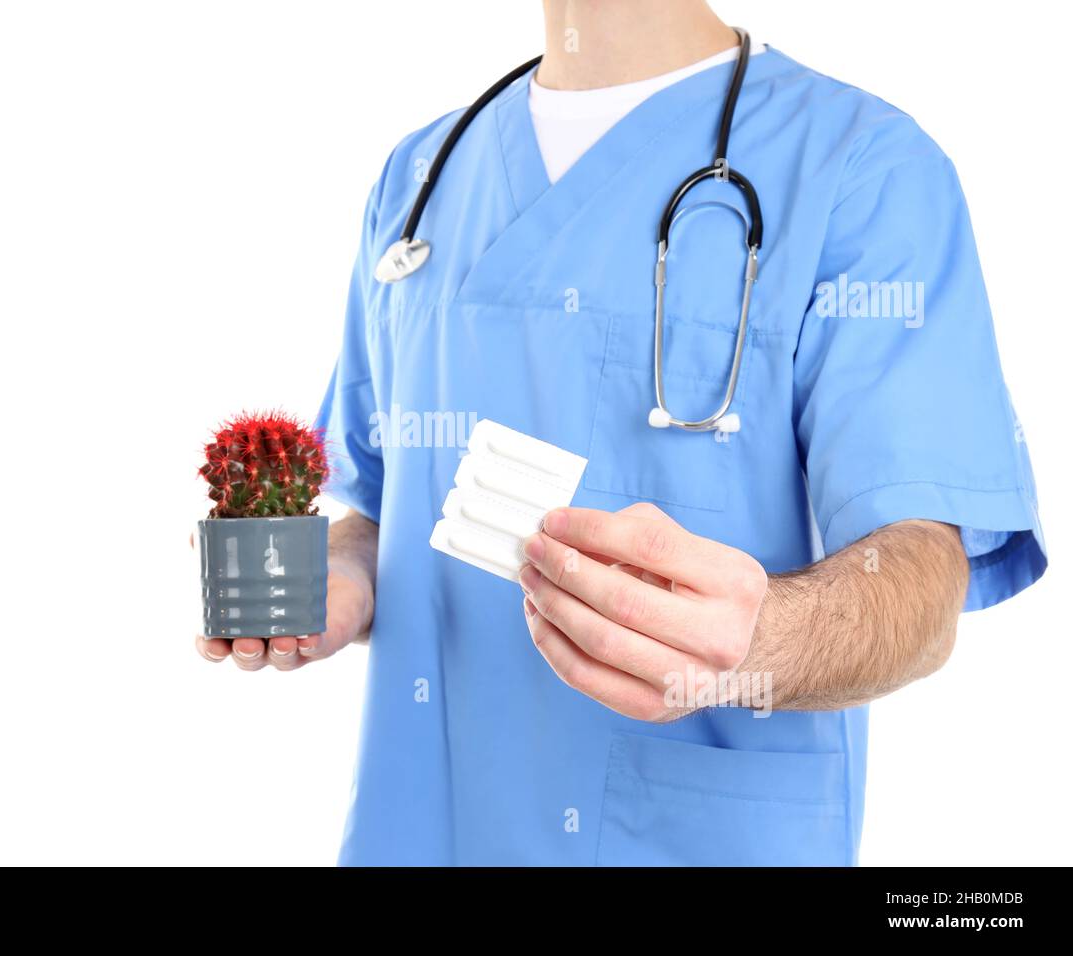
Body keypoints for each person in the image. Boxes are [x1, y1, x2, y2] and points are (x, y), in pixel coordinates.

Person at [196, 0, 1045, 865]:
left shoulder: (862, 165)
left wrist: (762, 639)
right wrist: (342, 581)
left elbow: (919, 576)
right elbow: (389, 509)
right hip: (416, 828)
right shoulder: (420, 175)